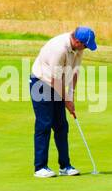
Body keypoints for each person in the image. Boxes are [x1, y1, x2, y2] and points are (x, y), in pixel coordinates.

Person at [29, 26, 96, 178]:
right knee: (44, 124)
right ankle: (40, 167)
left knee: (61, 126)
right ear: (77, 41)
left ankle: (65, 166)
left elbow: (75, 72)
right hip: (41, 82)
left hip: (56, 84)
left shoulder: (79, 49)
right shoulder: (59, 48)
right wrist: (66, 100)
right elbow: (55, 79)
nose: (86, 48)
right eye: (85, 45)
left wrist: (70, 96)